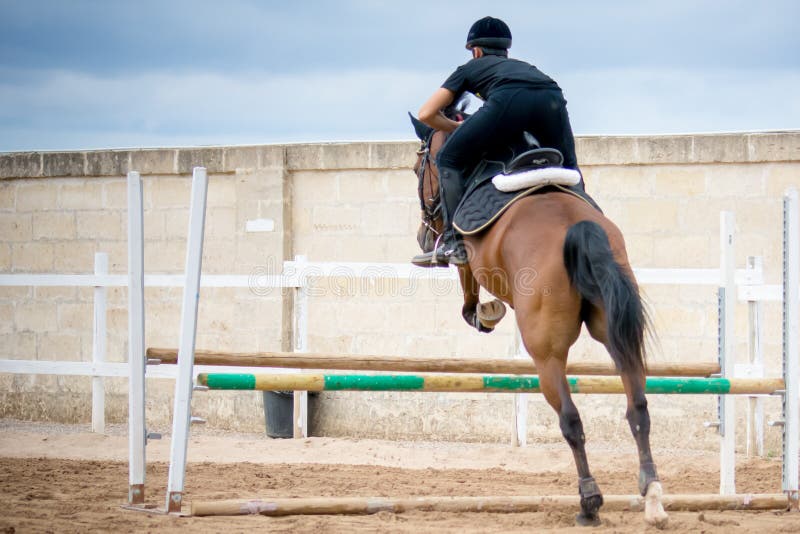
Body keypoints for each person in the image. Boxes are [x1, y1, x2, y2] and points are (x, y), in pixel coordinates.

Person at [411, 16, 581, 267]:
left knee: (447, 157)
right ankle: (587, 219)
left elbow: (426, 114)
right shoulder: (527, 67)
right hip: (551, 95)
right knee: (569, 165)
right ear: (506, 51)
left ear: (476, 51)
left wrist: (457, 127)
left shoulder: (469, 69)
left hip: (508, 99)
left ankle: (453, 243)